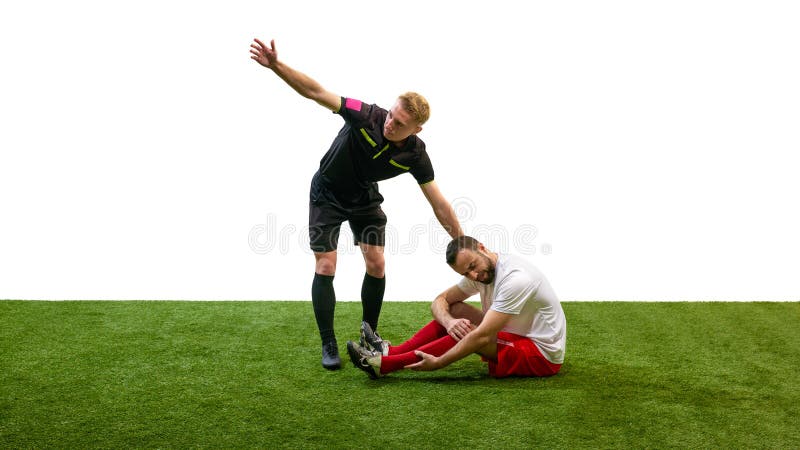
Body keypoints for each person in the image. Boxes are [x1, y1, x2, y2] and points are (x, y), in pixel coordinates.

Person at [250, 38, 464, 370]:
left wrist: (460, 239)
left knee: (376, 263)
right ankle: (328, 342)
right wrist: (277, 66)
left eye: (400, 123)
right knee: (326, 266)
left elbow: (437, 201)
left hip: (364, 197)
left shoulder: (415, 155)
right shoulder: (366, 116)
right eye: (392, 115)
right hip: (328, 192)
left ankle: (369, 334)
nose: (391, 123)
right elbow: (317, 93)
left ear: (417, 129)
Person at [347, 235, 566, 378]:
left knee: (469, 332)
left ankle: (384, 365)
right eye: (466, 273)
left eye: (473, 266)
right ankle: (389, 351)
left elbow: (480, 337)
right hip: (513, 333)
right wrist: (449, 322)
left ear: (482, 248)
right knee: (455, 312)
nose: (474, 275)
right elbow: (440, 300)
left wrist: (439, 363)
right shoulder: (478, 271)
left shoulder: (516, 279)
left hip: (540, 353)